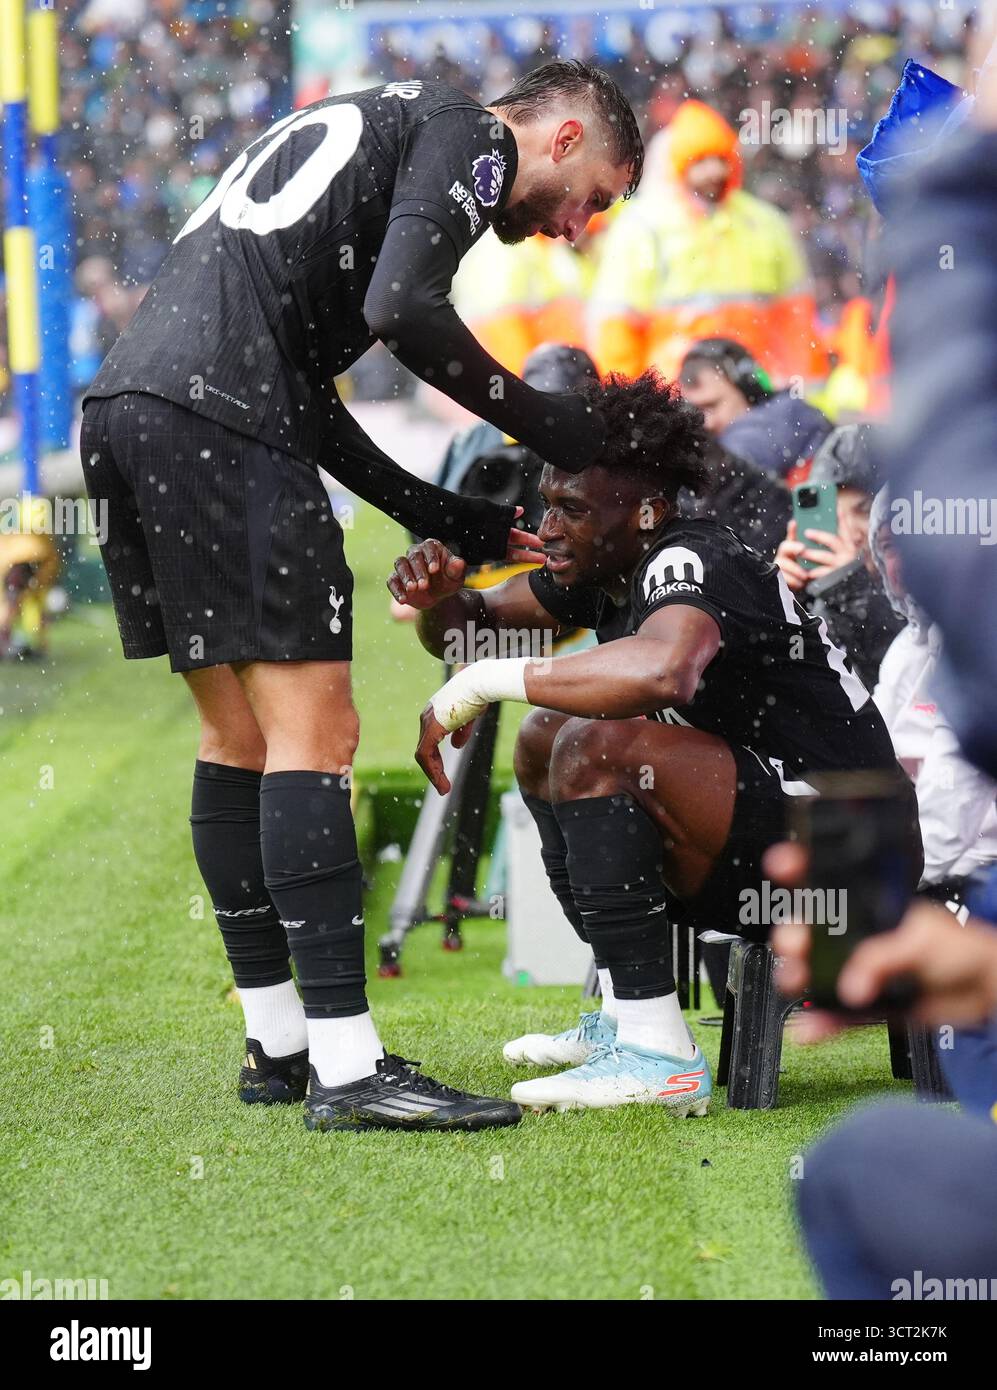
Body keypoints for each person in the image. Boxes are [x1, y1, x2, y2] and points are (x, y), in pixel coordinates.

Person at [79, 61, 644, 1134]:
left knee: (238, 738)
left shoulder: (385, 122)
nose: (576, 227)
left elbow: (305, 394)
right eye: (594, 198)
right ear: (564, 137)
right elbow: (403, 310)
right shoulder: (474, 136)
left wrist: (453, 515)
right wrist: (554, 427)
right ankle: (349, 1068)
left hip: (127, 408)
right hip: (220, 418)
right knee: (317, 734)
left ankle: (280, 1042)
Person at [387, 369, 903, 1115]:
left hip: (857, 853)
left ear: (648, 511)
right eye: (547, 503)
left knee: (593, 748)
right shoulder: (611, 560)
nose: (549, 527)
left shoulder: (691, 556)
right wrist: (441, 602)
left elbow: (665, 669)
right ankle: (629, 1014)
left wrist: (488, 680)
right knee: (544, 736)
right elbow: (476, 627)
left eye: (571, 508)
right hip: (787, 832)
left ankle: (658, 1052)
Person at [588, 101, 827, 384]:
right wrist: (626, 398)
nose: (714, 171)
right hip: (673, 392)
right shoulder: (643, 226)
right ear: (679, 165)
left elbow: (796, 317)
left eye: (721, 159)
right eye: (700, 161)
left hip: (756, 386)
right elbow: (618, 324)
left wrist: (803, 387)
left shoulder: (766, 223)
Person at [775, 424, 903, 688]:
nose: (850, 533)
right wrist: (780, 606)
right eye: (833, 516)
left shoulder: (931, 584)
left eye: (864, 510)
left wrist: (853, 591)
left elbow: (901, 681)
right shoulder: (818, 596)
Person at [678, 338, 831, 482]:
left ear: (747, 388)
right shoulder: (785, 413)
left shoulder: (769, 427)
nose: (708, 423)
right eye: (696, 410)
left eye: (713, 405)